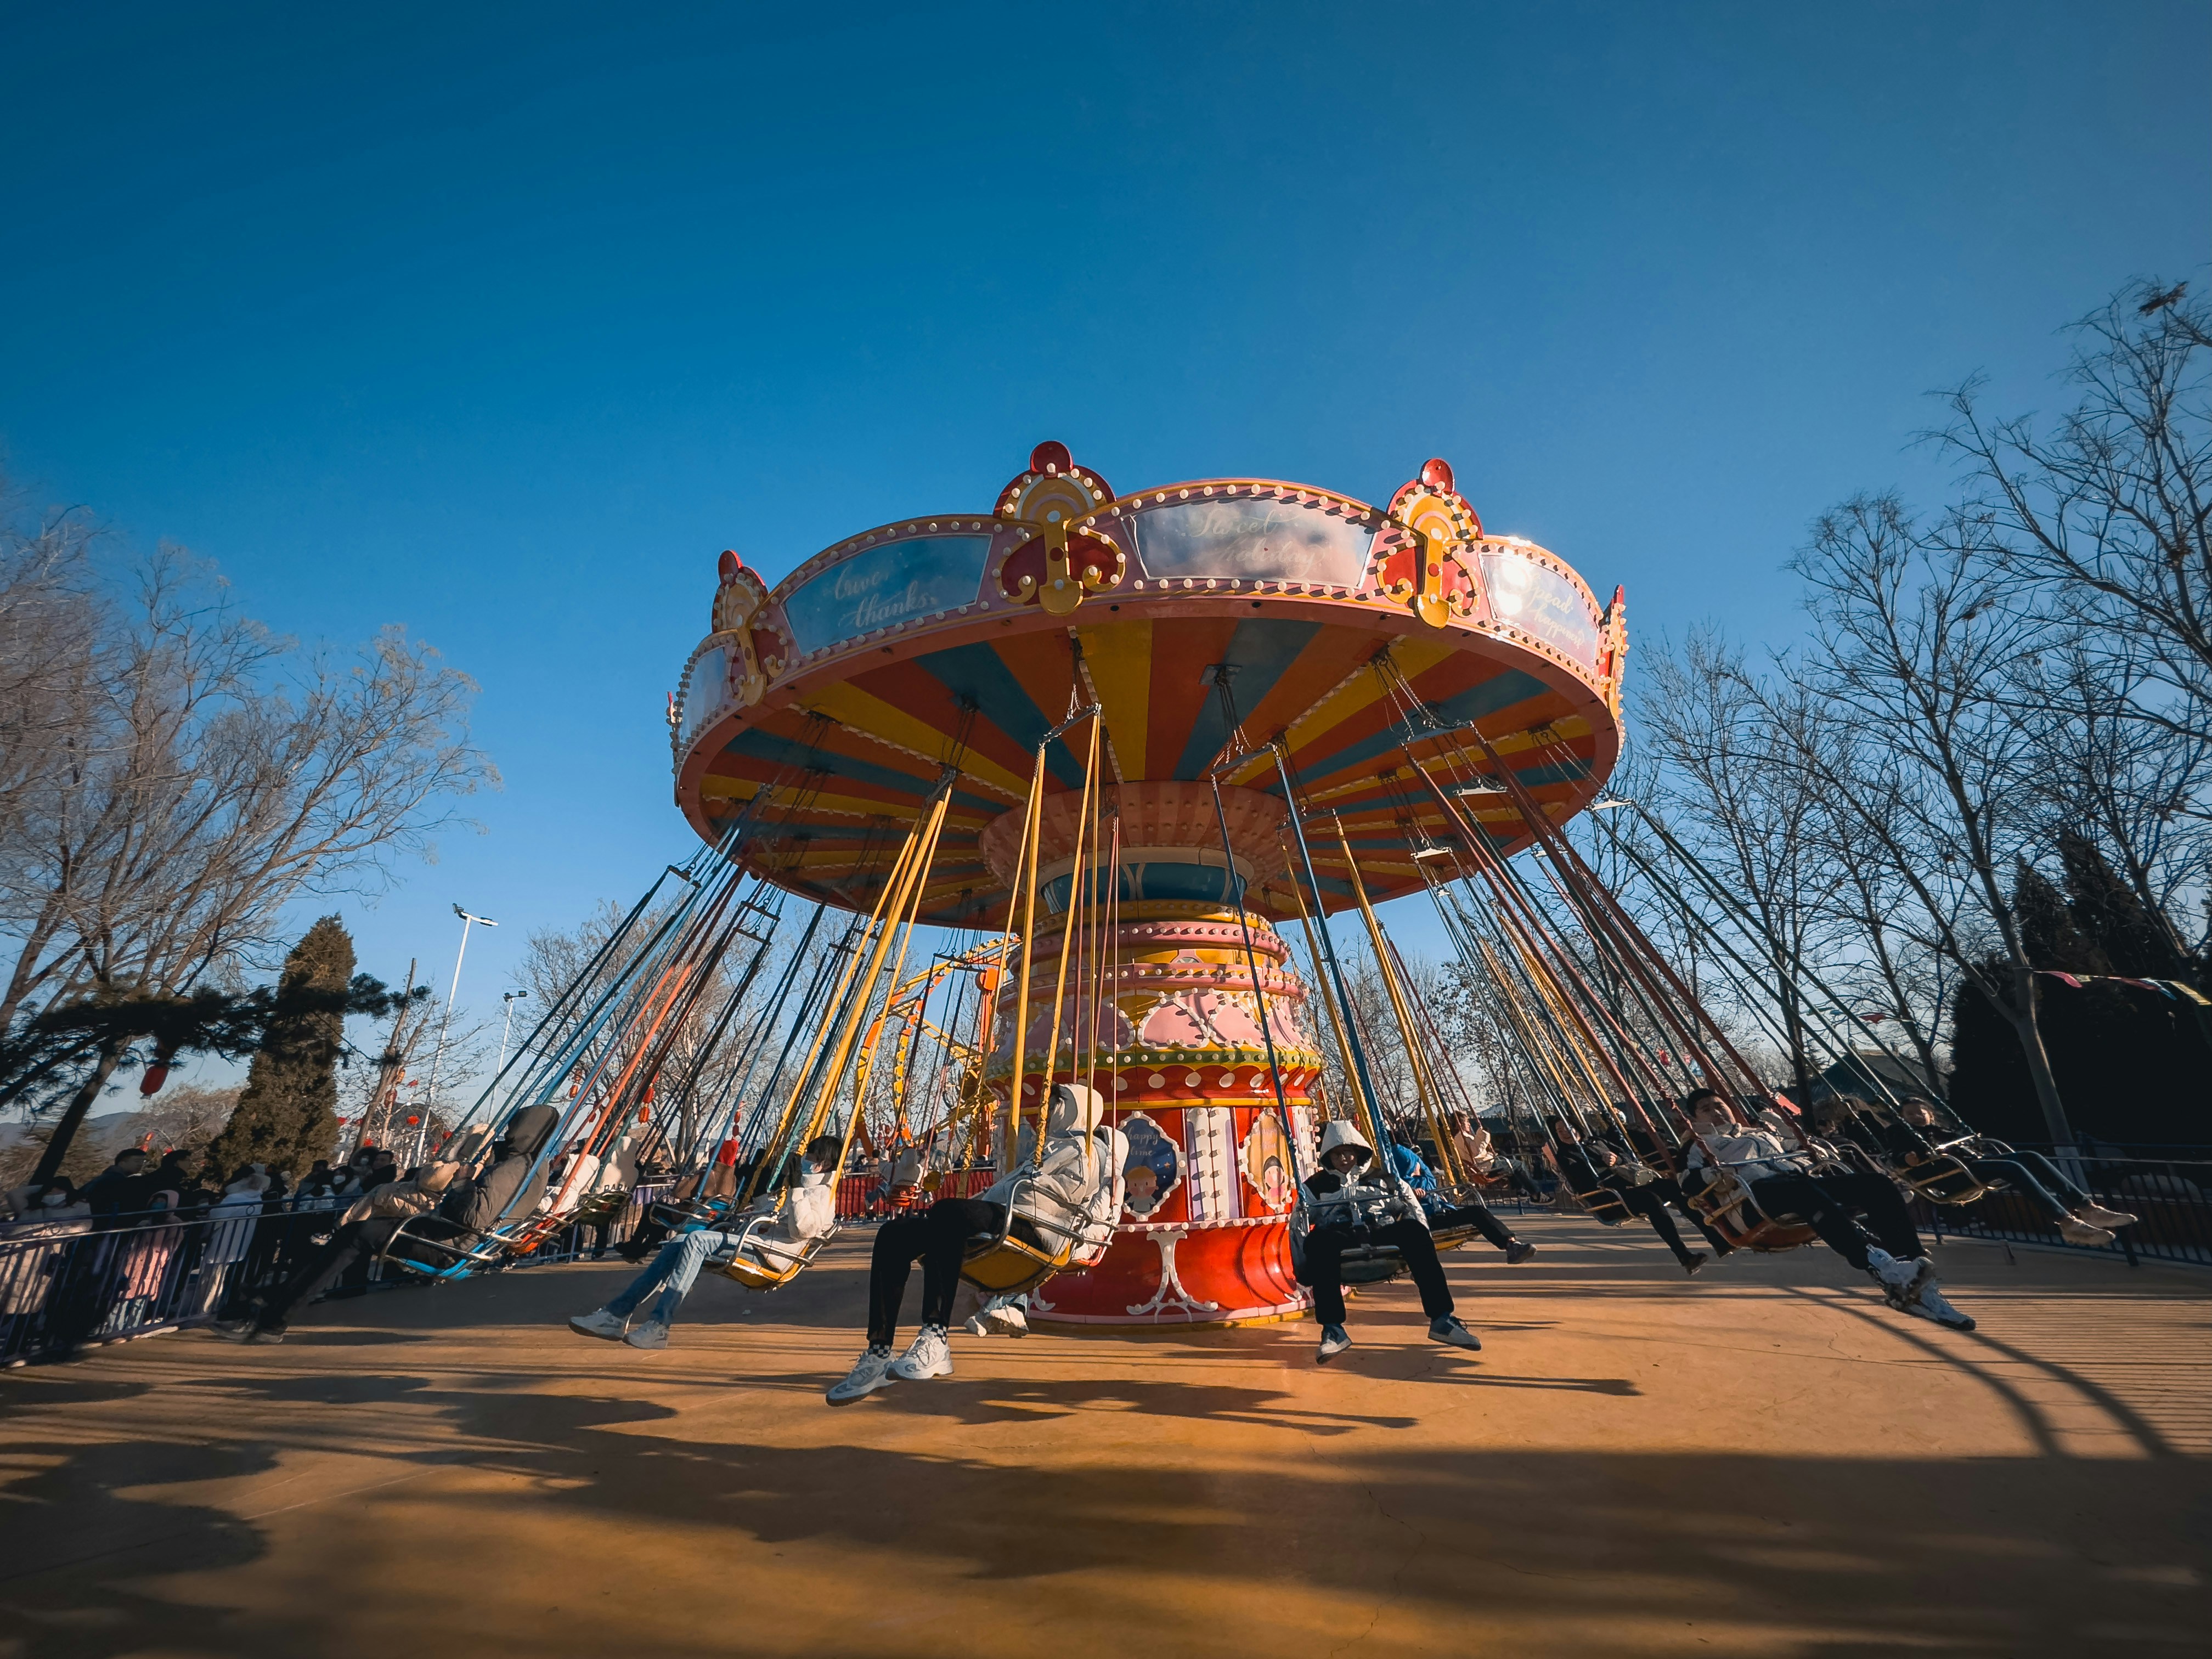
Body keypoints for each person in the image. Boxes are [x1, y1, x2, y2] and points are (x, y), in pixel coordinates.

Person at [827, 1083, 1126, 1404]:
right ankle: (878, 1352)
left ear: (1076, 1109)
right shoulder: (1048, 1147)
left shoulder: (1092, 1152)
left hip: (1034, 1228)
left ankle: (936, 1337)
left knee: (948, 1212)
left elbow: (1083, 1199)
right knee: (894, 1234)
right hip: (1005, 1216)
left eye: (1056, 1103)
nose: (1048, 1110)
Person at [1682, 1092, 1972, 1330]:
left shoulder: (1760, 1133)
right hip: (1754, 1198)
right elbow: (1687, 1181)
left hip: (1799, 1184)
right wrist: (1713, 1176)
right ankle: (1883, 1269)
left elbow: (1796, 1146)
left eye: (1720, 1105)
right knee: (1802, 1190)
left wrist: (1786, 1130)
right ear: (1696, 1118)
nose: (1716, 1112)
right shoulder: (1700, 1144)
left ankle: (1918, 1280)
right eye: (1706, 1109)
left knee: (1878, 1185)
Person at [568, 1135, 842, 1351]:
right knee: (681, 1241)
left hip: (773, 1255)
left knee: (697, 1240)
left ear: (824, 1163)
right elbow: (776, 1213)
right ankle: (616, 1315)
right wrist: (764, 1195)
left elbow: (802, 1230)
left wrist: (794, 1189)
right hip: (758, 1242)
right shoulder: (803, 1186)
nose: (806, 1160)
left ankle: (659, 1325)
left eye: (811, 1156)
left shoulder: (822, 1193)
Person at [1299, 1119, 1482, 1363]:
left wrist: (1424, 1242)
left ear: (1358, 1152)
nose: (1343, 1160)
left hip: (1378, 1228)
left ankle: (1442, 1319)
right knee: (1317, 1242)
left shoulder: (1383, 1178)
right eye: (1336, 1155)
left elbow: (1411, 1207)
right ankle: (1333, 1329)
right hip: (1340, 1234)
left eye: (1347, 1153)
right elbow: (1300, 1220)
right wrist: (1302, 1264)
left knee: (1413, 1231)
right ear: (1328, 1158)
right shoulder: (1315, 1185)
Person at [1854, 1097, 2137, 1246]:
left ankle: (2086, 1208)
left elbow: (1964, 1142)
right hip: (1948, 1179)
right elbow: (1899, 1157)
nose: (1917, 1116)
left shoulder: (1941, 1130)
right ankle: (2065, 1222)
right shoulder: (1899, 1132)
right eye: (1910, 1113)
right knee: (2011, 1167)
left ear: (1929, 1113)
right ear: (1902, 1118)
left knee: (2030, 1156)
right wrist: (1912, 1158)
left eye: (1921, 1112)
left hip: (1969, 1168)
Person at [1545, 1115, 1719, 1276]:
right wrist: (1602, 1165)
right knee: (1651, 1200)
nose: (1565, 1134)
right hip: (1609, 1198)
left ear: (1577, 1127)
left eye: (1568, 1128)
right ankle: (1684, 1256)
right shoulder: (1566, 1155)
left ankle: (1716, 1238)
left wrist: (1615, 1158)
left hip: (1631, 1185)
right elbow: (1581, 1182)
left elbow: (1626, 1156)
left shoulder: (1596, 1141)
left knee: (1674, 1188)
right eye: (1559, 1132)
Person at [1385, 1135, 1537, 1263]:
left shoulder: (1425, 1180)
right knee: (1474, 1213)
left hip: (1441, 1213)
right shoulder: (1400, 1184)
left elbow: (1430, 1180)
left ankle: (1511, 1245)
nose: (1419, 1168)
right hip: (1424, 1219)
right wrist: (1411, 1194)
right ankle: (1421, 1263)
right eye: (1415, 1167)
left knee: (1477, 1212)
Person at [80, 1149, 156, 1223]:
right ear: (122, 1163)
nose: (140, 1164)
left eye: (142, 1161)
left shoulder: (109, 1176)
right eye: (136, 1161)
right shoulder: (114, 1180)